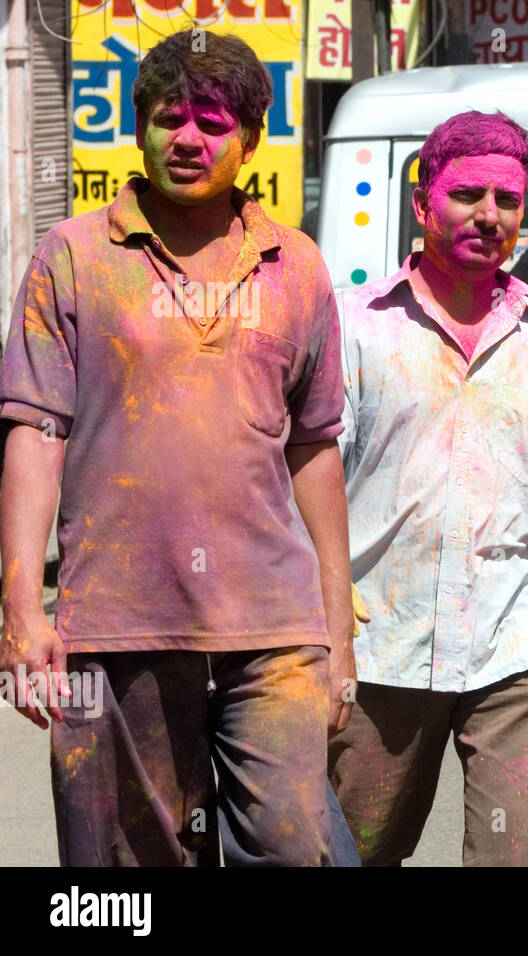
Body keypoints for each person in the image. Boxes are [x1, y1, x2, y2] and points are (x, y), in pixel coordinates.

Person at [0, 31, 351, 865]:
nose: (188, 139)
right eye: (169, 118)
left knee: (296, 845)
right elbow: (35, 436)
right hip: (116, 620)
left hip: (272, 628)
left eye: (212, 123)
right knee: (123, 873)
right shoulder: (74, 258)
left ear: (250, 140)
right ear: (141, 127)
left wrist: (339, 623)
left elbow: (315, 448)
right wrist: (19, 612)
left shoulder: (297, 268)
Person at [327, 111, 528, 866]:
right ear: (421, 203)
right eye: (467, 194)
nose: (489, 216)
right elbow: (306, 482)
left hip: (515, 643)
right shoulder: (357, 328)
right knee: (350, 852)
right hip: (377, 648)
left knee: (526, 855)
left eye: (507, 199)